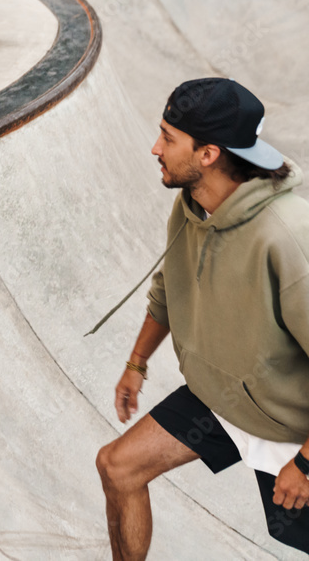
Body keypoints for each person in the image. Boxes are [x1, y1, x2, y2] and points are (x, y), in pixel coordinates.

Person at [94, 78, 309, 558]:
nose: (155, 148)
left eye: (168, 138)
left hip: (291, 421)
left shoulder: (288, 237)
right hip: (221, 397)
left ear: (209, 153)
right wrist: (136, 362)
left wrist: (307, 465)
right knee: (117, 467)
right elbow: (168, 288)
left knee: (295, 532)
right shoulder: (192, 207)